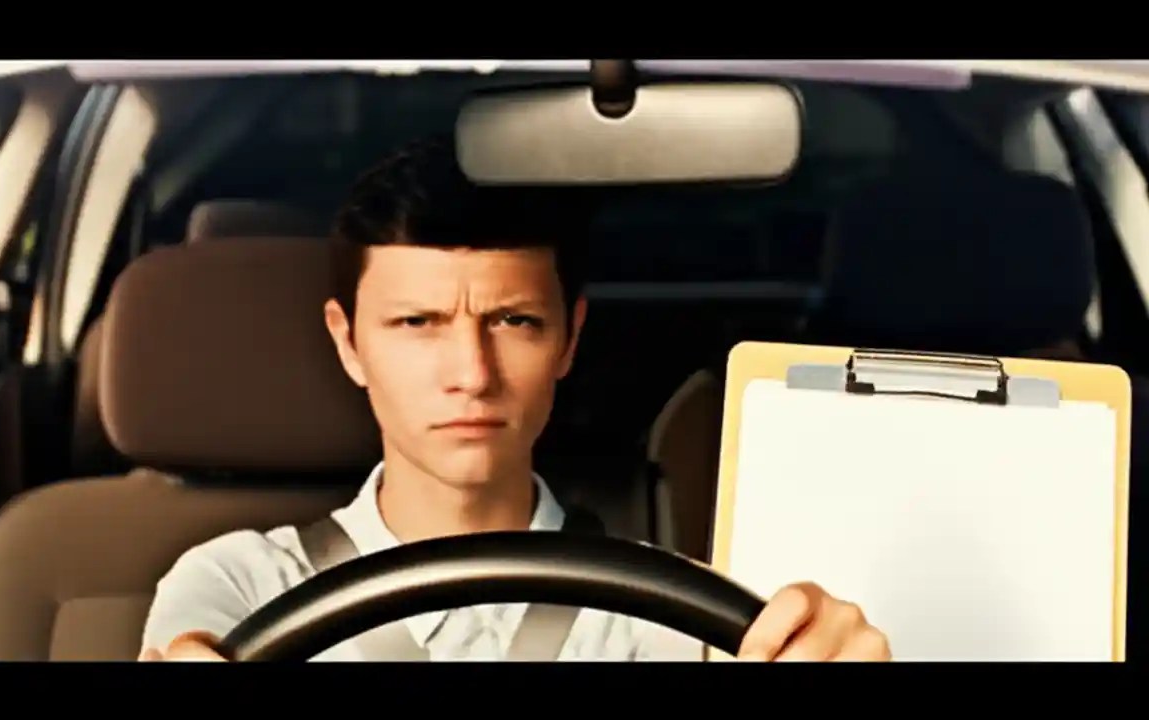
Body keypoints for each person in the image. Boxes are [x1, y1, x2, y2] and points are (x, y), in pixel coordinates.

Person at [138, 137, 892, 662]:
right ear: (348, 343)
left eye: (514, 322)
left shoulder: (672, 615)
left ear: (569, 338)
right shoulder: (238, 585)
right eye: (417, 323)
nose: (472, 373)